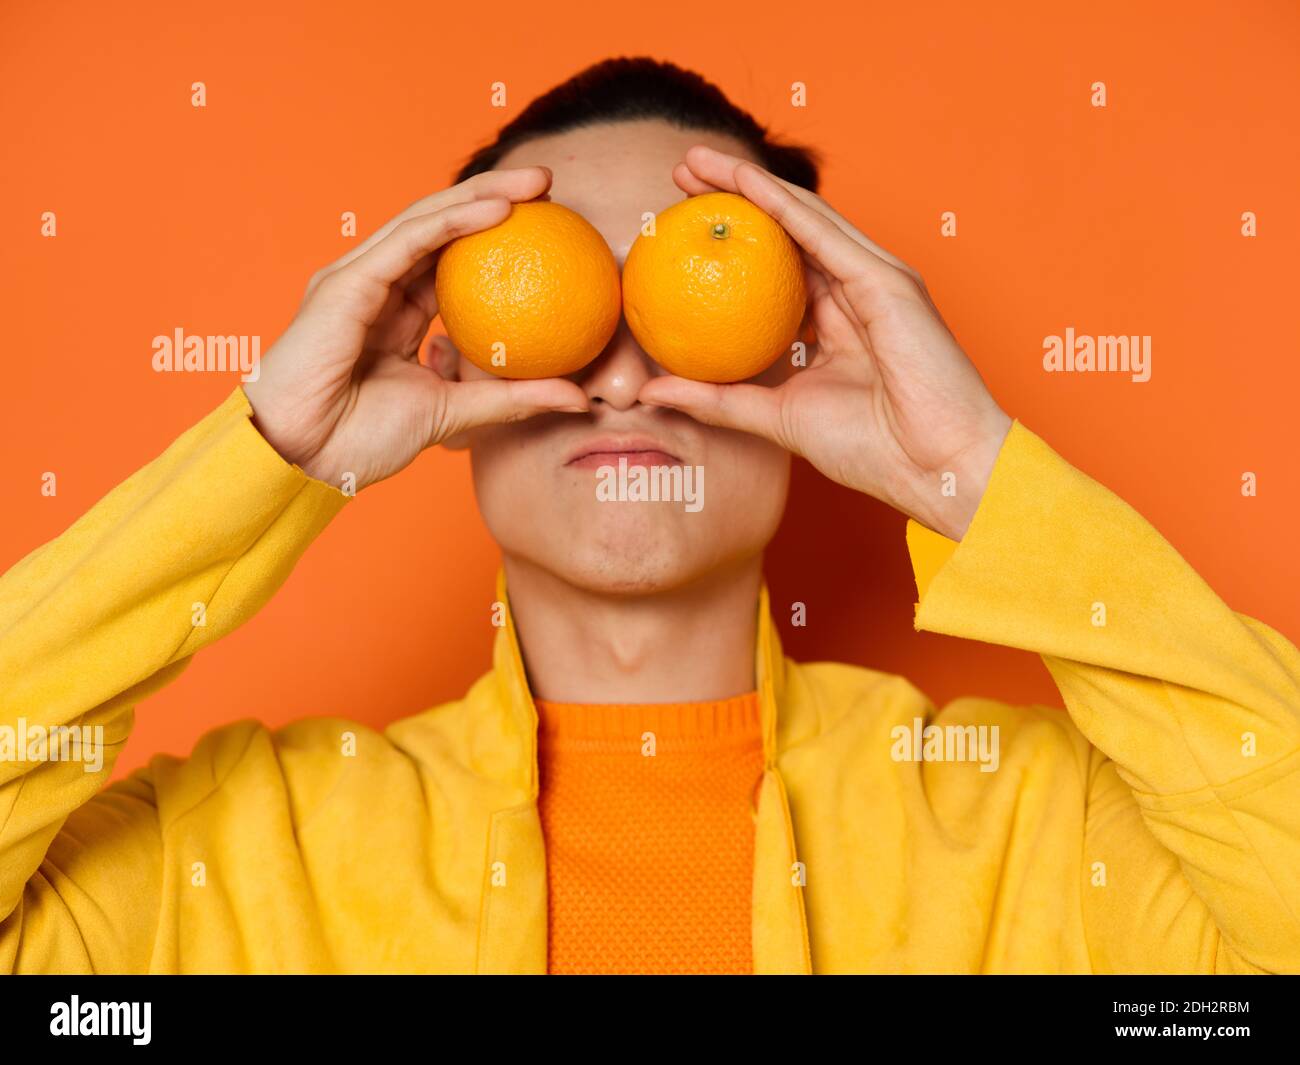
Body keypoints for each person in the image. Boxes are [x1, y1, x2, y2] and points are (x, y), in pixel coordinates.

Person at [2, 57, 1297, 976]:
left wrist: (970, 475)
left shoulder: (1037, 826)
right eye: (567, 310)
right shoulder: (241, 847)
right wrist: (273, 454)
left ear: (805, 352)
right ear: (443, 372)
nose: (622, 376)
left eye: (690, 304)